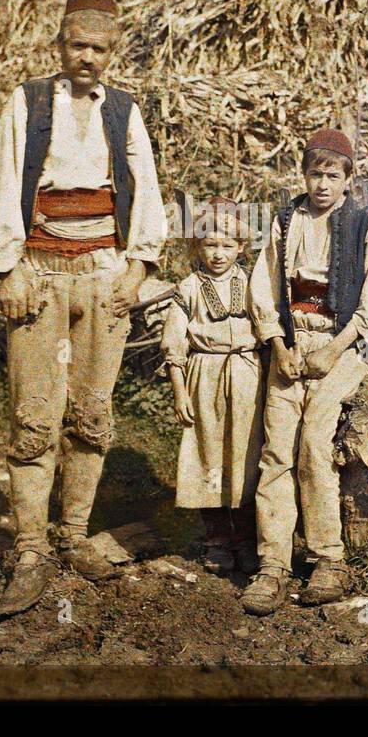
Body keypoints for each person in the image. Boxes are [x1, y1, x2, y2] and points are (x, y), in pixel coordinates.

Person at [0, 0, 168, 618]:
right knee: (34, 415)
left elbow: (145, 188)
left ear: (112, 53)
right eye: (77, 44)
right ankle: (30, 548)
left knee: (91, 411)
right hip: (39, 274)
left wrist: (138, 266)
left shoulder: (123, 111)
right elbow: (2, 183)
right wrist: (9, 268)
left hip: (102, 277)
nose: (88, 56)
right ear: (59, 44)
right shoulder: (27, 103)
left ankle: (76, 536)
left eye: (100, 48)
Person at [241, 129, 368, 616]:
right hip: (292, 344)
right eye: (315, 173)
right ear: (303, 175)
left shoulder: (363, 224)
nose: (322, 183)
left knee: (313, 445)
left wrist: (334, 350)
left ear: (349, 179)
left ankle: (329, 559)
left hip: (340, 347)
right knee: (275, 452)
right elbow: (264, 286)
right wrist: (277, 343)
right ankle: (272, 565)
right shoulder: (286, 220)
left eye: (333, 174)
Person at [160, 197, 264, 576]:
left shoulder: (254, 283)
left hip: (247, 373)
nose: (218, 254)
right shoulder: (188, 288)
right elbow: (174, 344)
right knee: (209, 454)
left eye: (227, 245)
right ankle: (218, 540)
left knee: (247, 455)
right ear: (197, 247)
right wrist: (179, 390)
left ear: (240, 247)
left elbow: (269, 326)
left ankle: (247, 541)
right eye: (210, 245)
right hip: (204, 374)